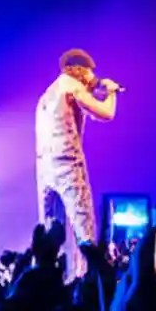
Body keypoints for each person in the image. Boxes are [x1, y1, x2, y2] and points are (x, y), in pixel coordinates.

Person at [34, 49, 120, 280]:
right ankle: (91, 285)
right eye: (90, 71)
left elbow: (89, 91)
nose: (92, 75)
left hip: (45, 168)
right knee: (84, 231)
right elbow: (106, 113)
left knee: (48, 229)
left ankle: (44, 279)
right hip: (68, 164)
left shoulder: (47, 94)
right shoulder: (72, 86)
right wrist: (111, 93)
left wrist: (95, 85)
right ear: (78, 70)